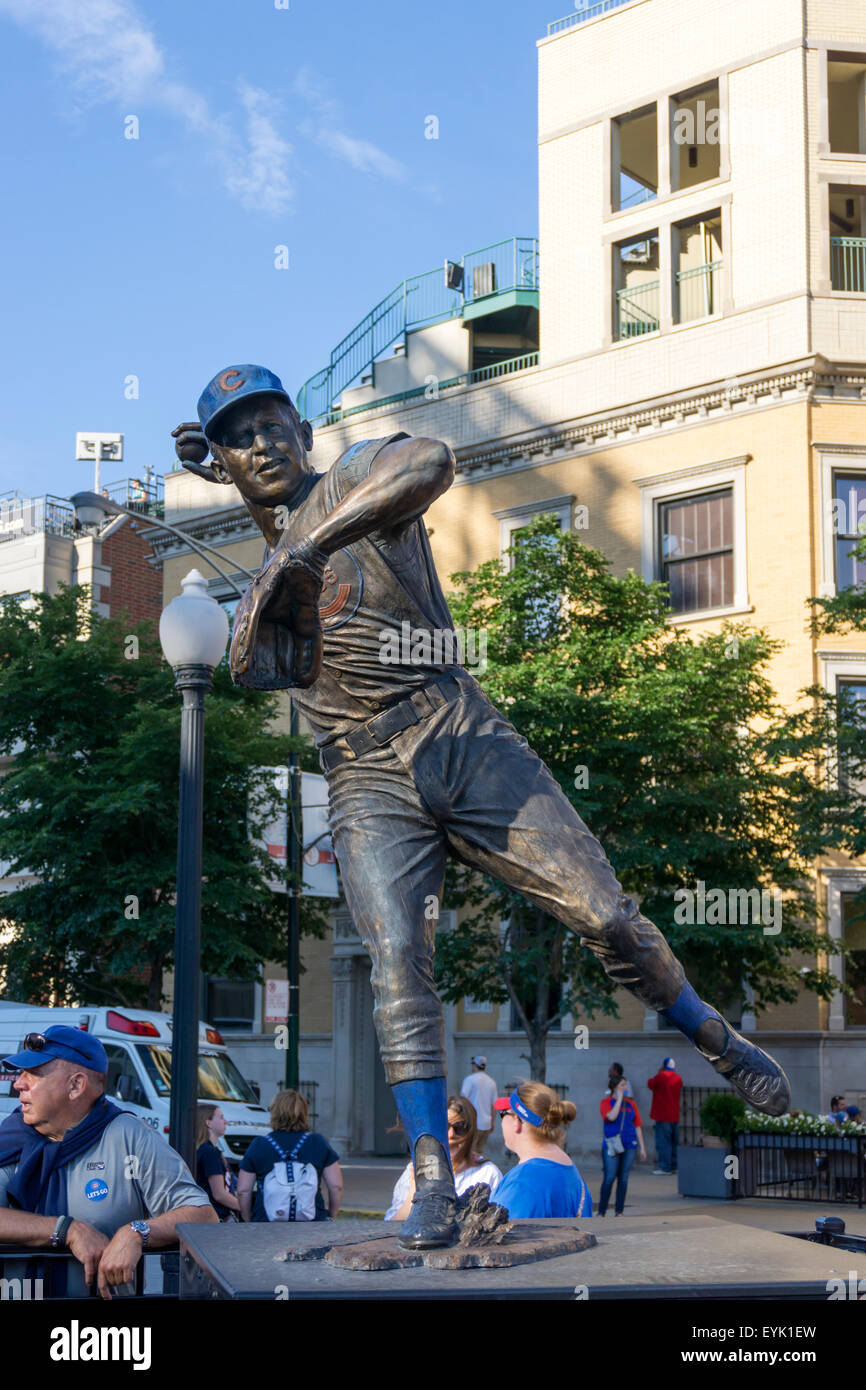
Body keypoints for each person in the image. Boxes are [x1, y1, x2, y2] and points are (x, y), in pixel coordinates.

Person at [171, 366, 789, 1248]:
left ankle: (717, 1036)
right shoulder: (259, 571)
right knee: (396, 963)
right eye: (240, 438)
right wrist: (272, 550)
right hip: (361, 774)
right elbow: (262, 658)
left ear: (302, 432)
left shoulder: (349, 479)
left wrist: (307, 545)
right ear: (222, 461)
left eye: (273, 424)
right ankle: (432, 1175)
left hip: (455, 728)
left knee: (607, 917)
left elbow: (431, 459)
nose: (261, 444)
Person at [0, 1026, 216, 1299]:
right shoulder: (9, 1138)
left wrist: (137, 1232)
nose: (18, 1083)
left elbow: (202, 1214)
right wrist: (66, 1230)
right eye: (21, 1074)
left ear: (76, 1085)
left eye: (34, 1074)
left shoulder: (127, 1136)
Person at [386, 1095, 502, 1220]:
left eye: (460, 1127)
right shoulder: (413, 1170)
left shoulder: (488, 1173)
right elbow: (392, 1224)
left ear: (471, 1132)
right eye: (443, 1127)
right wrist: (415, 1188)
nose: (451, 1135)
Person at [236, 1088, 342, 1222]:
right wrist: (331, 1215)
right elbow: (336, 1186)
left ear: (274, 1112)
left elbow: (243, 1190)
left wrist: (248, 1218)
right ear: (304, 1113)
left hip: (266, 1222)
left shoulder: (259, 1145)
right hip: (312, 1222)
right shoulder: (317, 1142)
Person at [491, 1083, 592, 1218]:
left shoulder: (521, 1185)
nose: (502, 1122)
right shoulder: (574, 1176)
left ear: (517, 1121)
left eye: (503, 1114)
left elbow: (501, 1236)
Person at [598, 1078, 646, 1216]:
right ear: (614, 1087)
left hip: (629, 1144)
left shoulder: (631, 1104)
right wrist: (618, 1099)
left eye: (625, 1085)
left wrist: (642, 1147)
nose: (625, 1088)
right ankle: (601, 1211)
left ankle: (619, 1211)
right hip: (612, 1145)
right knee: (609, 1177)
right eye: (622, 1085)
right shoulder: (605, 1102)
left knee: (623, 1178)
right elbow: (611, 1117)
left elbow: (637, 1126)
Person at [195, 1104, 241, 1221]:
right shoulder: (209, 1152)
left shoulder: (208, 1150)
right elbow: (219, 1194)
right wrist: (245, 1208)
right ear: (208, 1123)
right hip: (216, 1217)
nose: (225, 1121)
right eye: (221, 1117)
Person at [647, 1056, 683, 1174]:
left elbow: (650, 1084)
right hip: (674, 1115)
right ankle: (674, 1165)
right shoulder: (678, 1078)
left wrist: (659, 1072)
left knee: (664, 1142)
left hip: (663, 1115)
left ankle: (665, 1167)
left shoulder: (661, 1076)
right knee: (673, 1142)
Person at [460, 1057, 498, 1154]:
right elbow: (494, 1105)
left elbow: (462, 1100)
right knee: (478, 1152)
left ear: (474, 1065)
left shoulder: (469, 1080)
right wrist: (492, 1123)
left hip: (472, 1123)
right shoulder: (492, 1082)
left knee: (469, 1152)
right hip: (486, 1124)